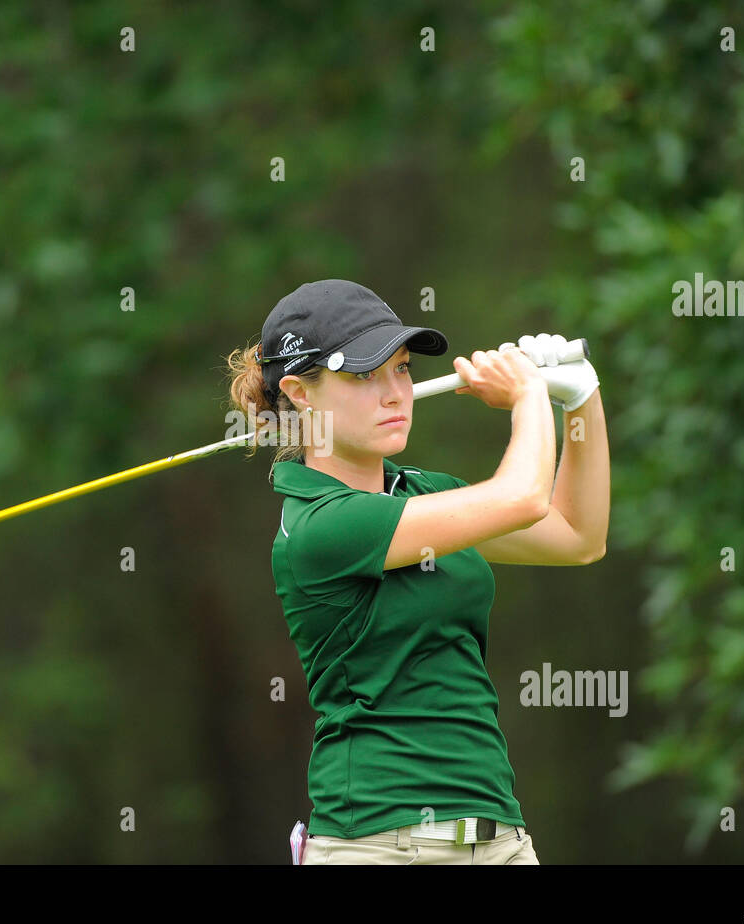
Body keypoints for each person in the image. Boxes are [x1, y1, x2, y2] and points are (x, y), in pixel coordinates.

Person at [225, 279, 609, 864]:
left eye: (401, 369)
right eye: (363, 375)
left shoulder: (425, 494)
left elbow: (577, 536)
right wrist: (530, 397)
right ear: (300, 392)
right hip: (378, 845)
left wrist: (581, 400)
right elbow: (524, 496)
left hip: (499, 839)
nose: (394, 393)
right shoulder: (318, 527)